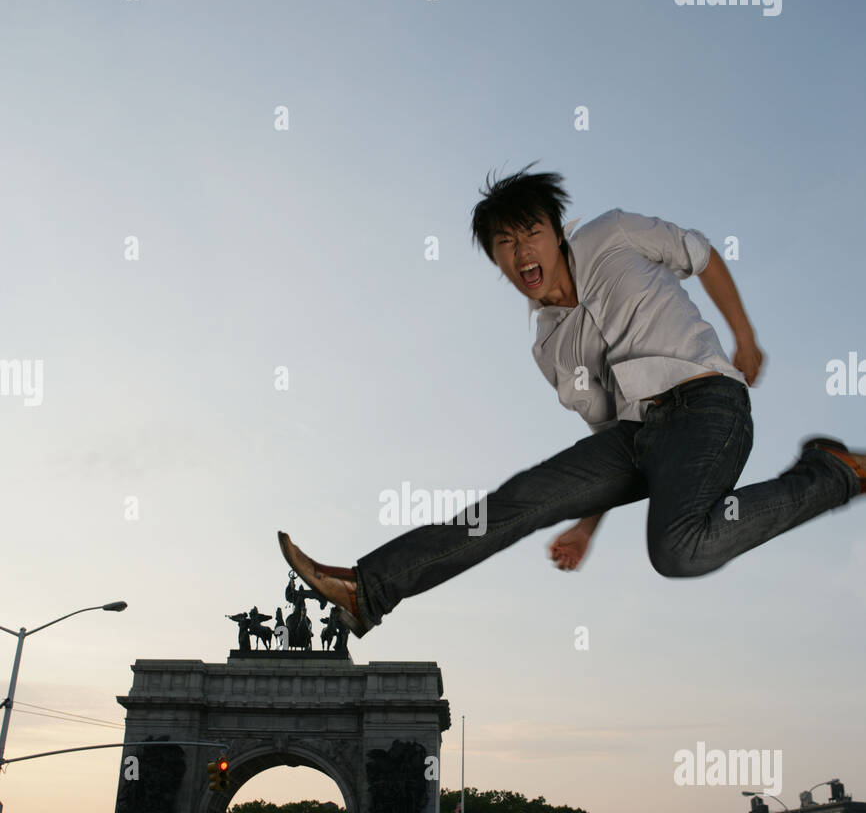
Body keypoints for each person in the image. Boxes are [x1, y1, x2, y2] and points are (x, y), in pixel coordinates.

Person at [278, 163, 864, 636]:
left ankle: (830, 473)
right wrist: (587, 525)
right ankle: (369, 589)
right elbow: (606, 433)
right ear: (496, 262)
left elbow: (701, 254)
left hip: (707, 405)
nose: (521, 252)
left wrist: (745, 335)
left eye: (530, 232)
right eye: (503, 244)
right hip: (635, 438)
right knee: (514, 503)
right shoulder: (550, 348)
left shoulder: (612, 235)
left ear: (557, 233)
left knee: (678, 549)